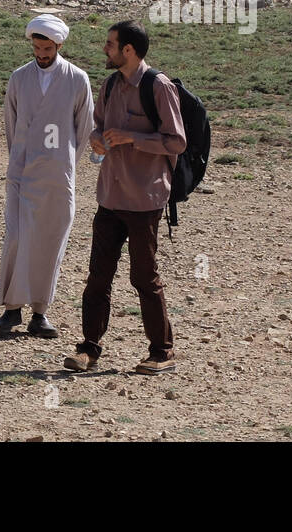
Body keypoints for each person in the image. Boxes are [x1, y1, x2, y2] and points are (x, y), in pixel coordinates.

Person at [65, 20, 186, 376]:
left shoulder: (158, 86)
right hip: (111, 195)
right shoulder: (111, 84)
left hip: (145, 198)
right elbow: (98, 128)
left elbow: (176, 142)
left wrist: (132, 138)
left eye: (111, 44)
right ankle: (88, 349)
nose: (105, 48)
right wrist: (99, 139)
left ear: (128, 50)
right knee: (97, 277)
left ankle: (162, 352)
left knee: (144, 278)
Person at [0, 14, 95, 338]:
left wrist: (63, 163)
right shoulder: (19, 78)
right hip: (21, 173)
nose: (41, 53)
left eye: (47, 47)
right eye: (36, 47)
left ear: (59, 45)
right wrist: (22, 157)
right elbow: (11, 125)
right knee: (17, 238)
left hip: (58, 176)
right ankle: (11, 309)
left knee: (50, 241)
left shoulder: (78, 79)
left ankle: (40, 311)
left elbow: (84, 129)